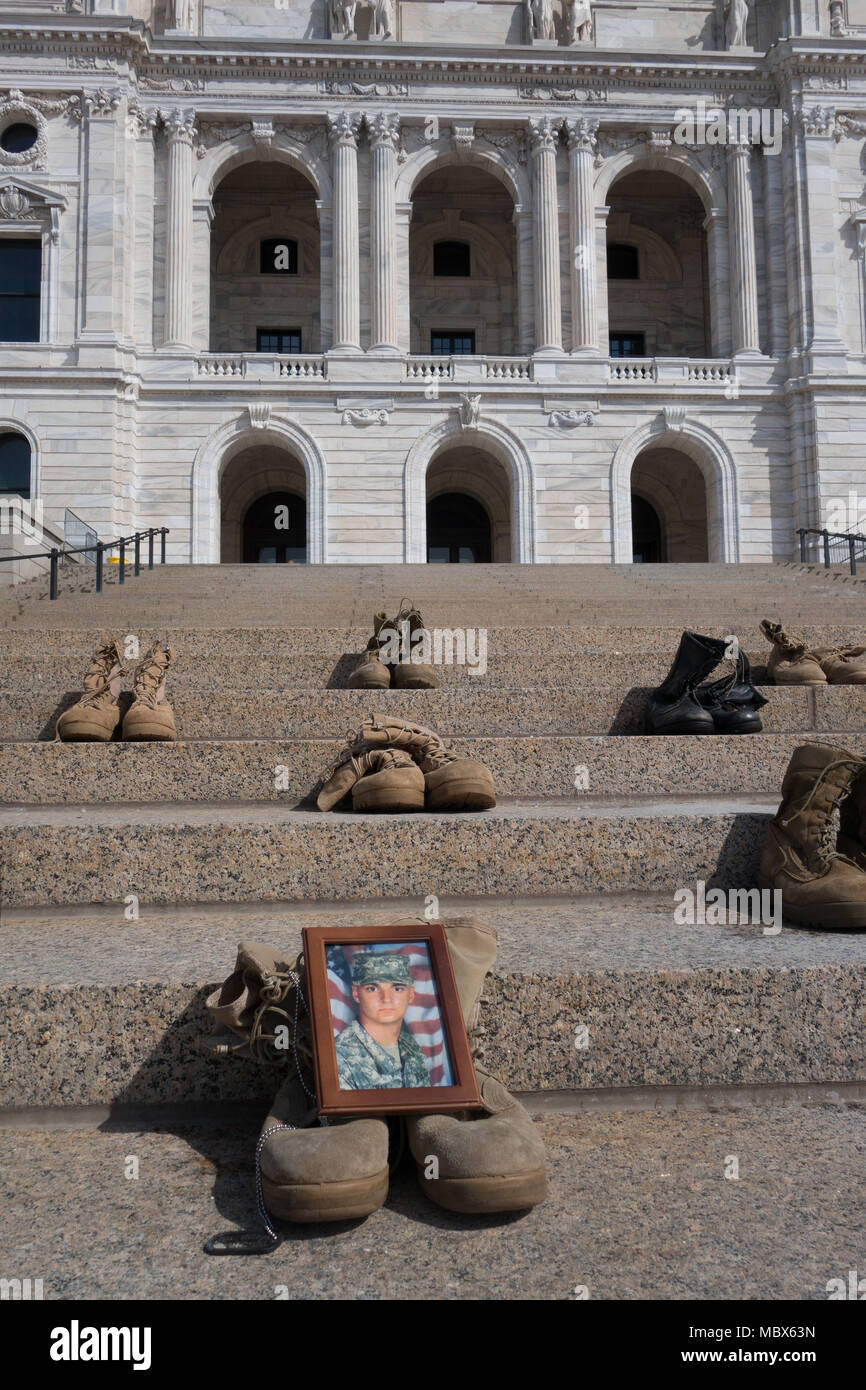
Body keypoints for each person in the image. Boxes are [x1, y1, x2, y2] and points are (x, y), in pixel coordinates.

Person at [335, 953, 430, 1089]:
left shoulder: (411, 1046)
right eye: (372, 989)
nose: (386, 999)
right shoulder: (339, 1057)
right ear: (356, 993)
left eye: (397, 989)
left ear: (411, 994)